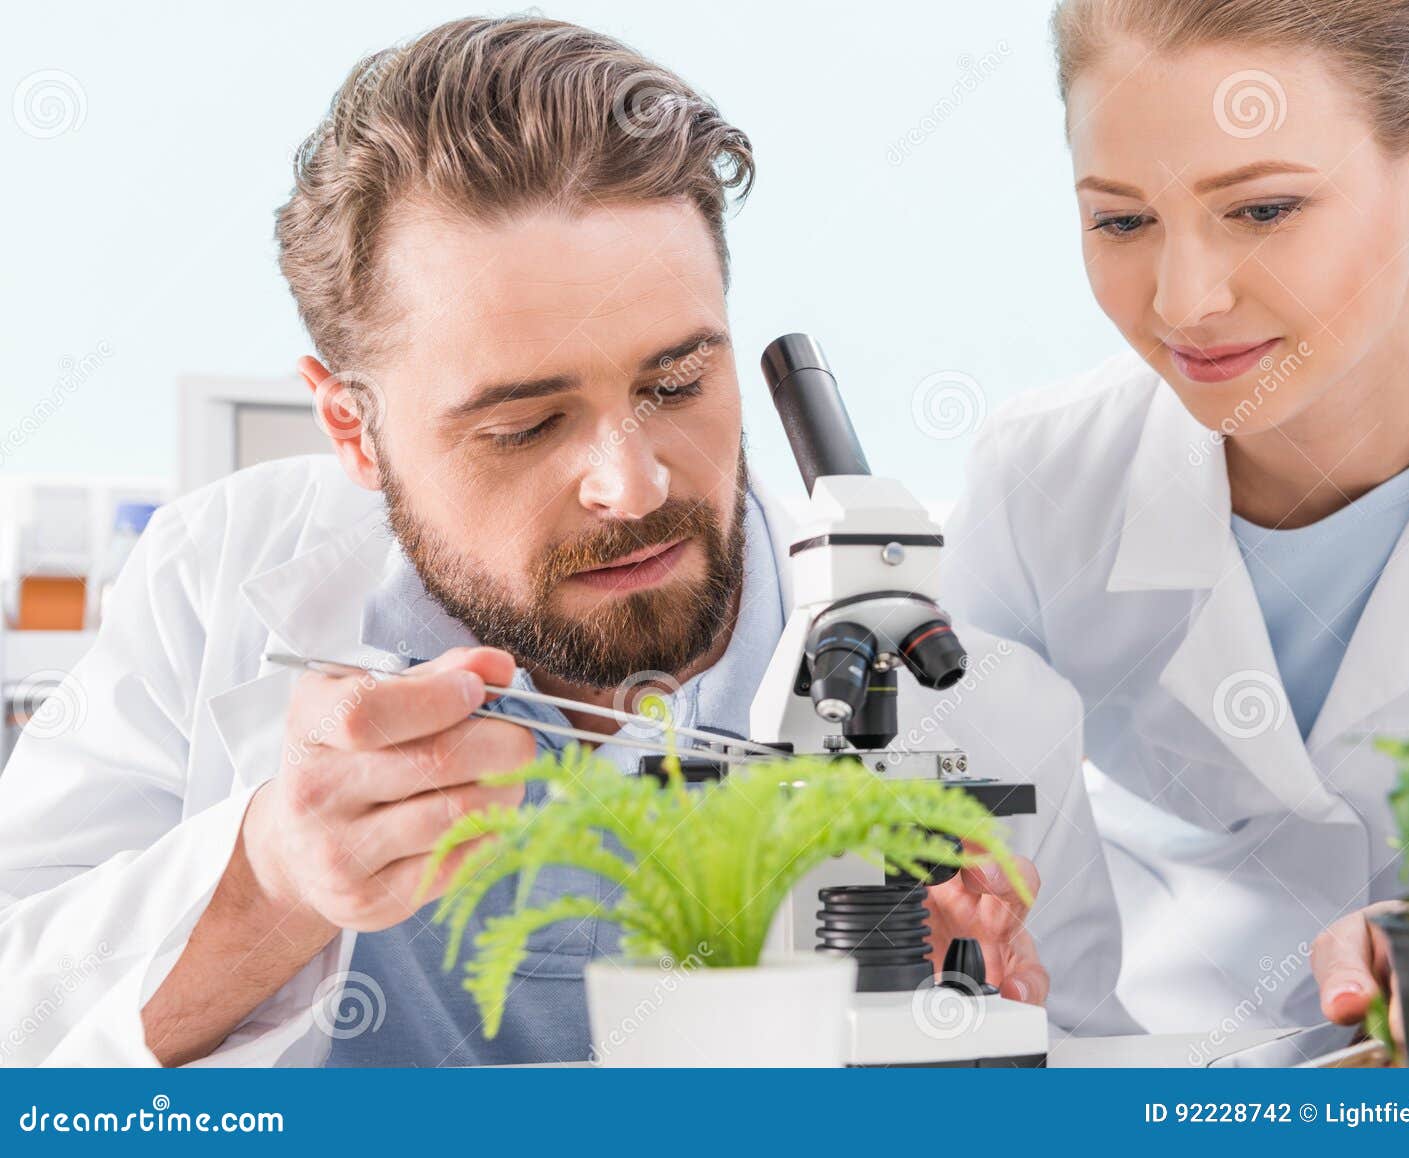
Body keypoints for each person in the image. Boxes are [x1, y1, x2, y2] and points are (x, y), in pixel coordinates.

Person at [0, 16, 1129, 1067]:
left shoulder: (989, 718)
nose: (632, 487)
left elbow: (1095, 1092)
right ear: (352, 424)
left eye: (678, 381)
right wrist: (270, 885)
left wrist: (977, 1058)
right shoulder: (220, 582)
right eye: (523, 426)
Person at [945, 0, 1409, 1035]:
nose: (1185, 301)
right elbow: (956, 876)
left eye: (1261, 211)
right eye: (1121, 220)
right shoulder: (1042, 487)